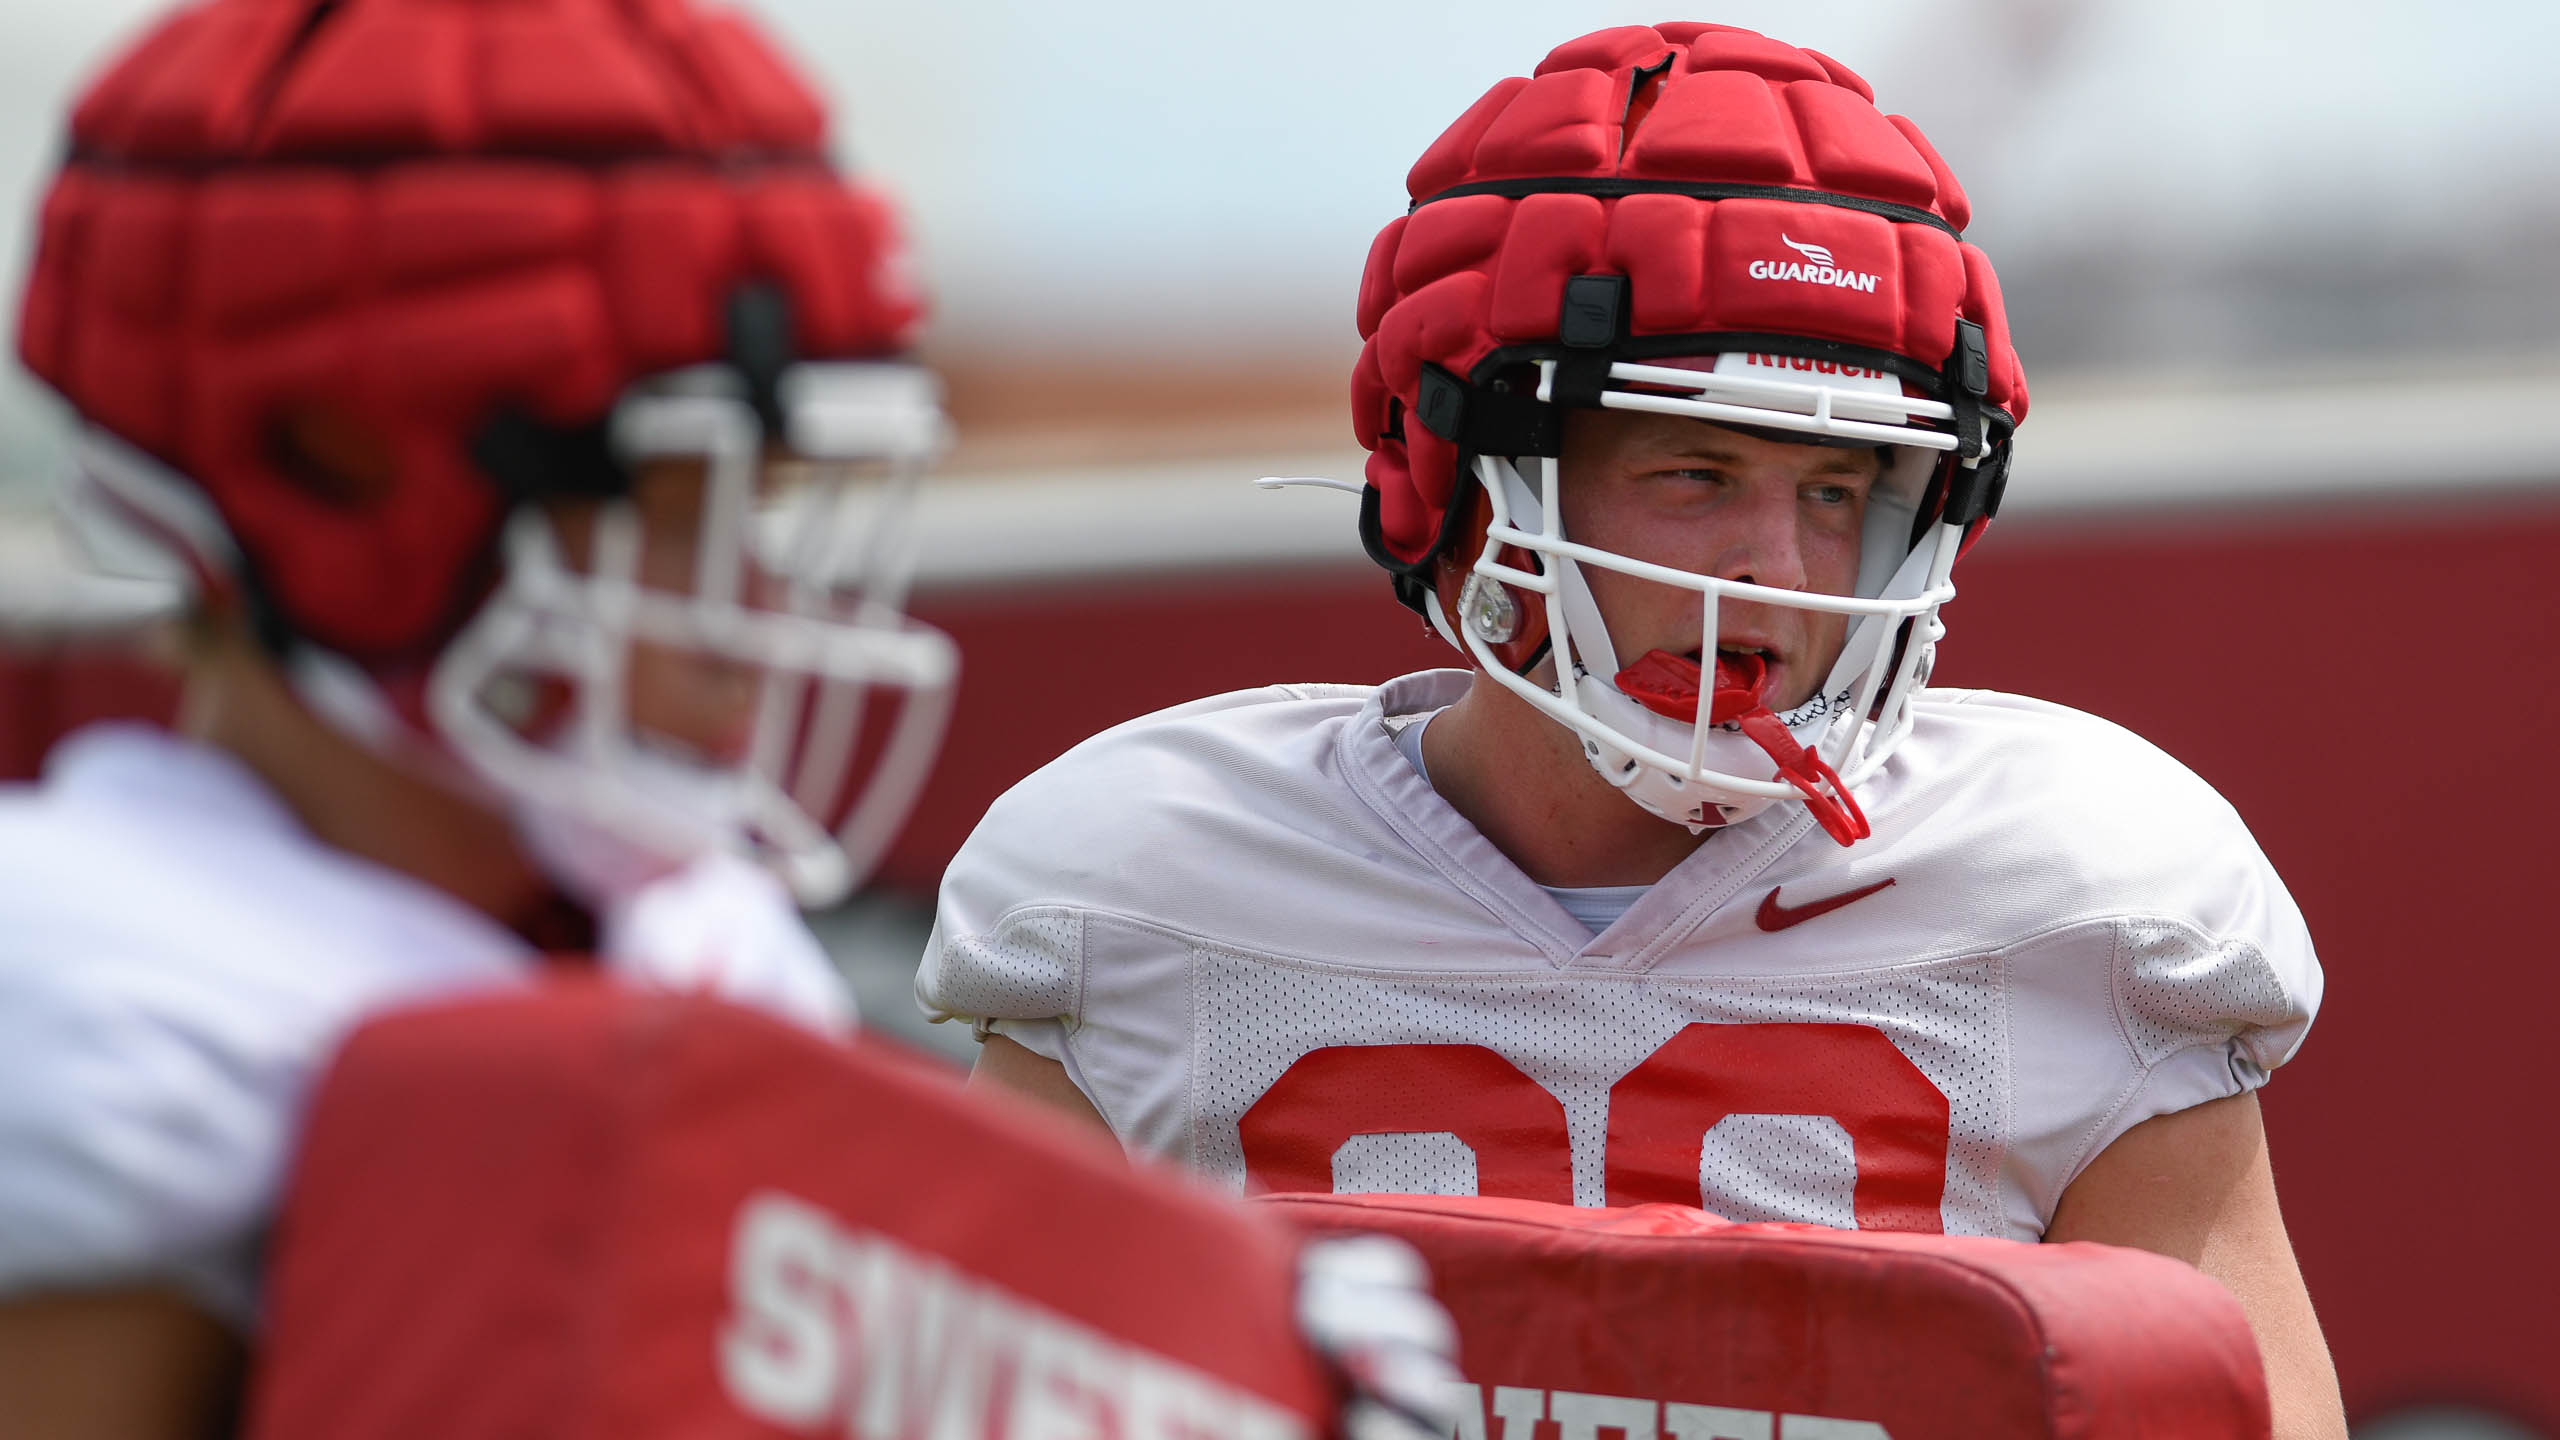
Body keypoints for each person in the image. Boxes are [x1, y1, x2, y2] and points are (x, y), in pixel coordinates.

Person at [922, 22, 2347, 1440]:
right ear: (1471, 489)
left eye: (1840, 492)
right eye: (1695, 469)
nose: (1777, 571)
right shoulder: (1151, 888)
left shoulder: (2073, 891)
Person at [0, 0, 958, 1428]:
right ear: (331, 474)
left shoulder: (710, 945)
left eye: (753, 512)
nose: (748, 612)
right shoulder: (104, 994)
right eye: (655, 508)